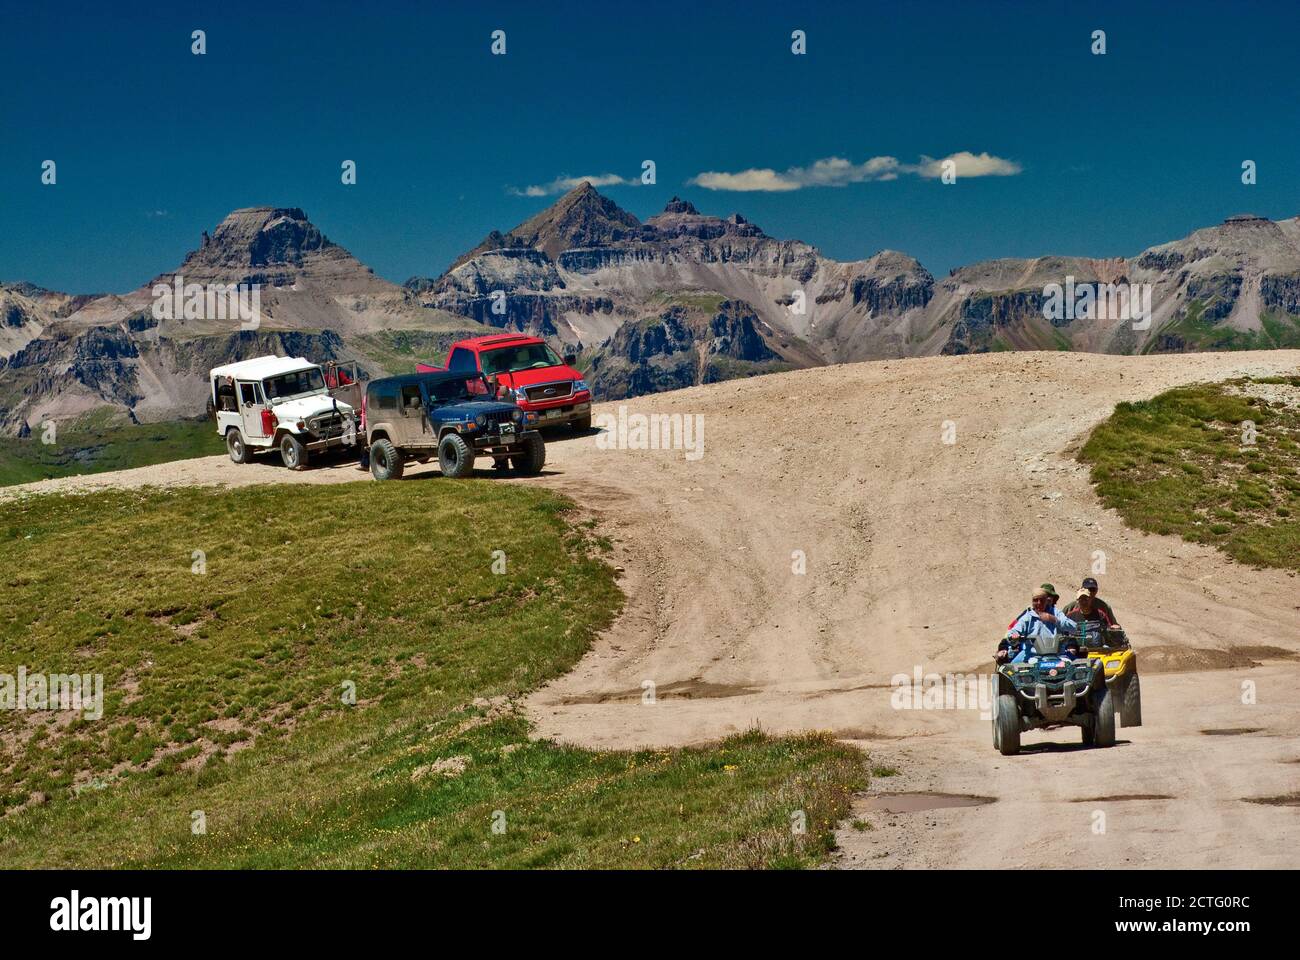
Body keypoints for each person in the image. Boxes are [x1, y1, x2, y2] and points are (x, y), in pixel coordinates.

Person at [998, 587, 1080, 663]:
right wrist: (1014, 636)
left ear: (1047, 601)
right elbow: (1012, 632)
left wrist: (1053, 619)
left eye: (1042, 600)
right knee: (1011, 671)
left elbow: (1074, 627)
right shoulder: (1027, 617)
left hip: (1059, 657)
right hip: (1034, 658)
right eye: (1035, 600)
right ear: (1032, 601)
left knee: (1077, 669)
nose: (1039, 603)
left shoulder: (1056, 613)